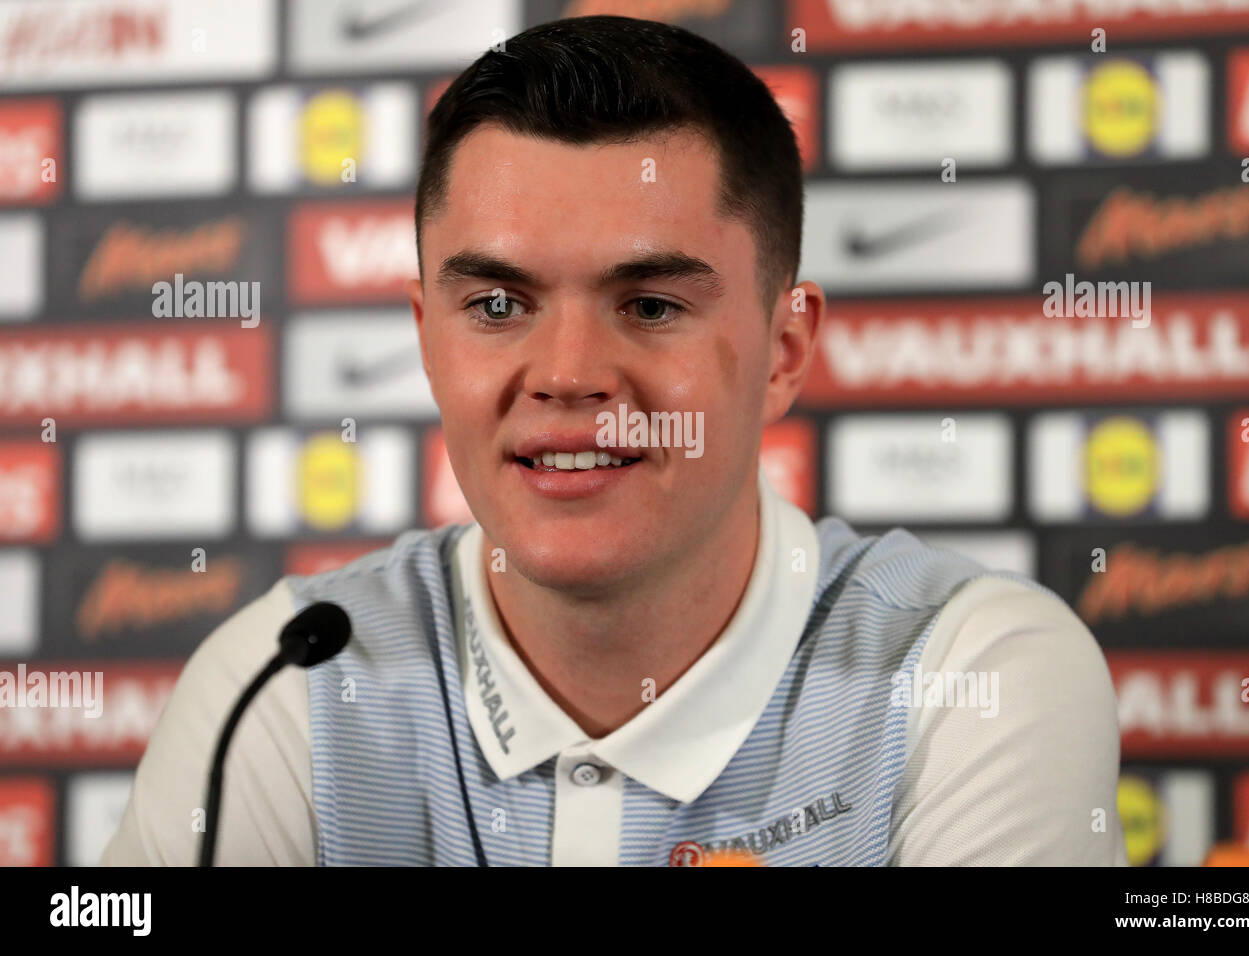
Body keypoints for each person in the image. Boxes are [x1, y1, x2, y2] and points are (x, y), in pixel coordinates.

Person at [102, 15, 1126, 867]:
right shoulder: (284, 686)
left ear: (782, 348)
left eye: (647, 303)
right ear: (426, 337)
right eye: (498, 303)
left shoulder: (971, 670)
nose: (567, 372)